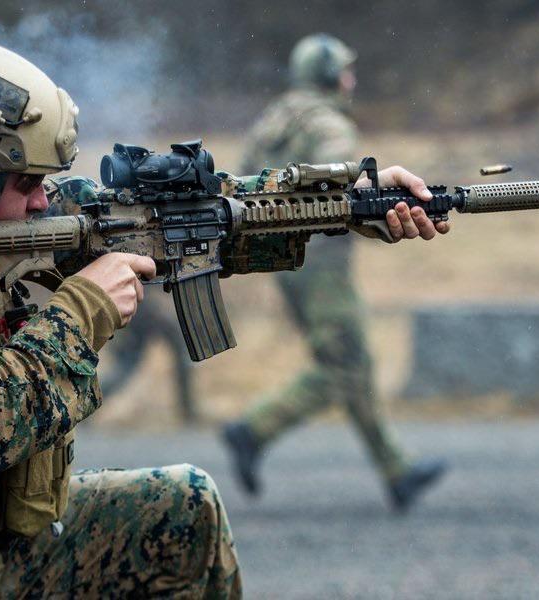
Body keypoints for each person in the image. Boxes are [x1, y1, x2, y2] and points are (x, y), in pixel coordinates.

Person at [0, 20, 449, 598]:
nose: (42, 201)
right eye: (26, 181)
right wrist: (81, 312)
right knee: (181, 508)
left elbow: (166, 216)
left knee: (181, 511)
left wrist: (341, 202)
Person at [220, 34, 447, 511]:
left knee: (353, 362)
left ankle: (396, 471)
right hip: (322, 262)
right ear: (328, 76)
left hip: (286, 258)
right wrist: (372, 198)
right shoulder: (326, 121)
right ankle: (254, 429)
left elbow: (243, 179)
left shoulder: (277, 117)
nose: (352, 79)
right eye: (345, 71)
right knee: (344, 365)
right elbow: (346, 179)